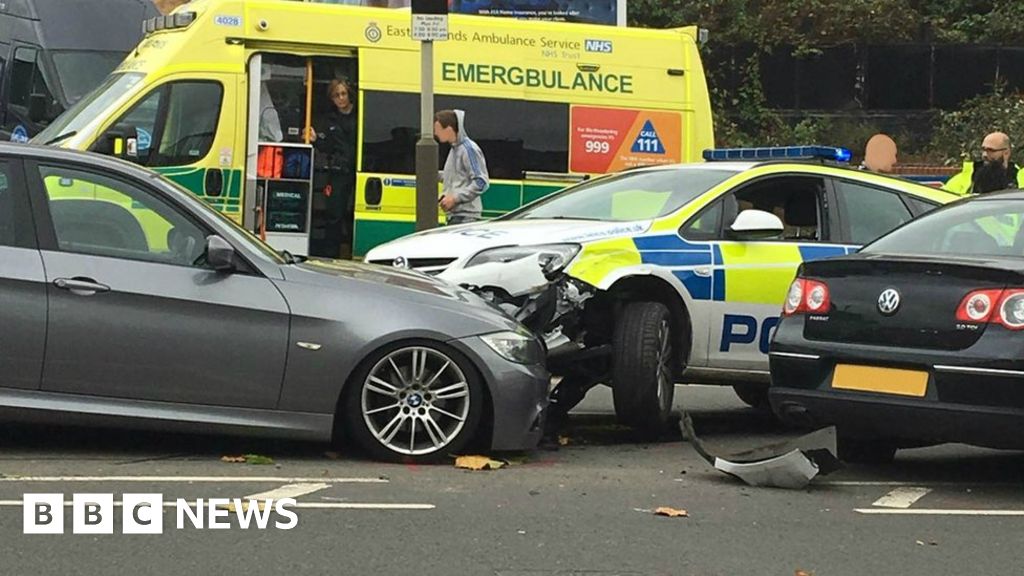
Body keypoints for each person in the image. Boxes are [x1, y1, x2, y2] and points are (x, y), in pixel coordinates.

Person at [308, 77, 357, 258]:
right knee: (334, 215)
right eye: (336, 95)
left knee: (355, 215)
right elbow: (328, 146)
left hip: (359, 171)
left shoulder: (360, 115)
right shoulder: (330, 120)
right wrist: (316, 140)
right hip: (338, 173)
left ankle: (351, 252)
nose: (341, 98)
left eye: (343, 94)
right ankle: (331, 256)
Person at [434, 109, 489, 225]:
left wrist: (455, 199)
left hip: (465, 217)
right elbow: (458, 177)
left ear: (449, 129)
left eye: (438, 129)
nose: (436, 133)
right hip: (457, 215)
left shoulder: (468, 149)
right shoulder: (454, 149)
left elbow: (481, 182)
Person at [944, 132, 1024, 195]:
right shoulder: (962, 179)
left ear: (1006, 153)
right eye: (983, 150)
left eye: (991, 150)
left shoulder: (1020, 179)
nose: (984, 155)